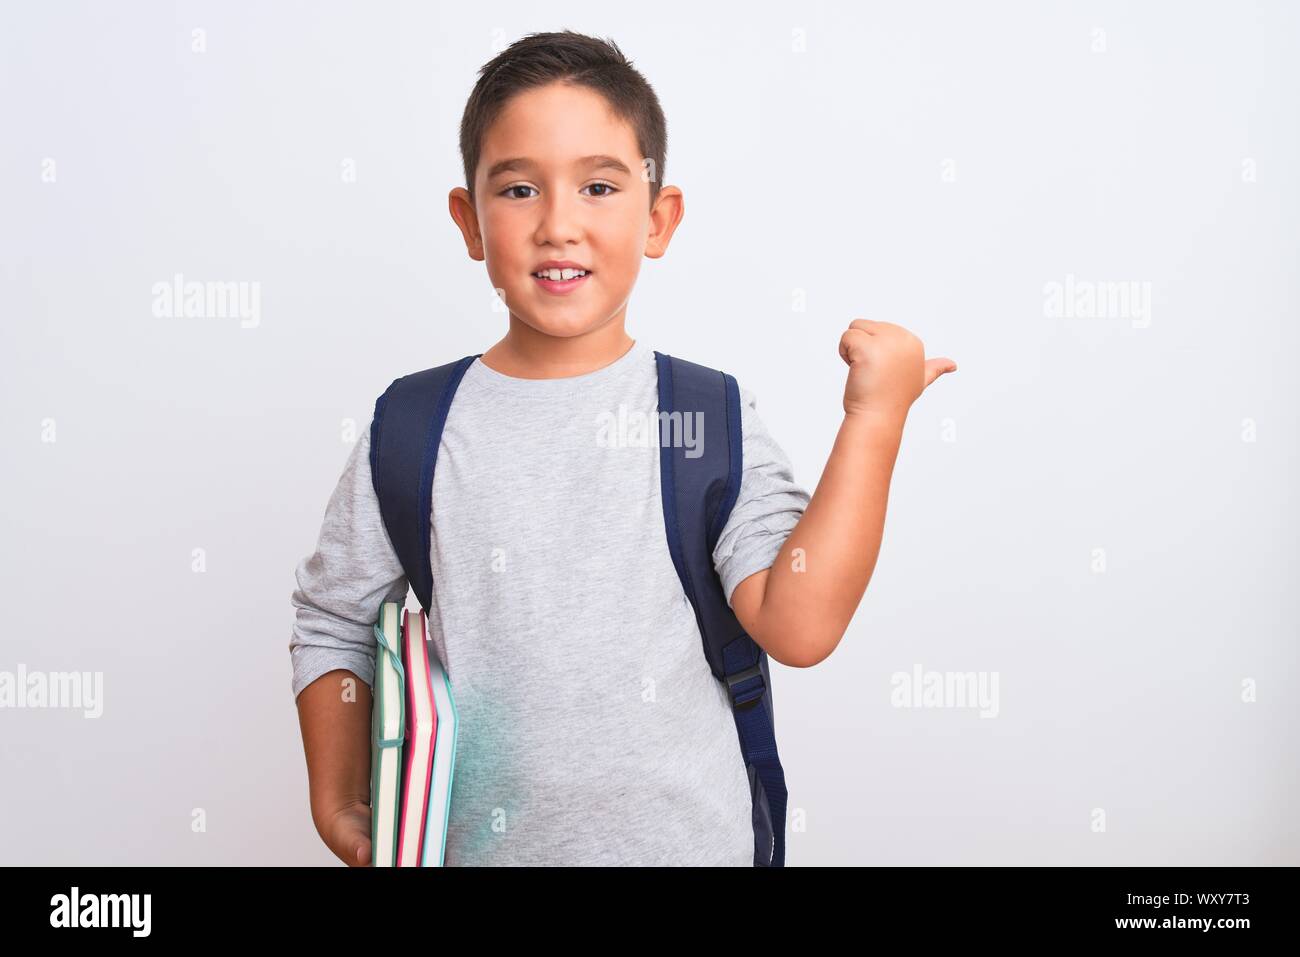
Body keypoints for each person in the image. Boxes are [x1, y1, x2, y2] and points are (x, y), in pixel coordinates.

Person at [289, 29, 956, 867]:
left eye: (599, 185)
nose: (559, 224)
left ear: (658, 218)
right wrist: (337, 794)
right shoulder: (413, 427)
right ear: (469, 222)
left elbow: (801, 624)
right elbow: (334, 619)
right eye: (520, 188)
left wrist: (875, 419)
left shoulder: (708, 417)